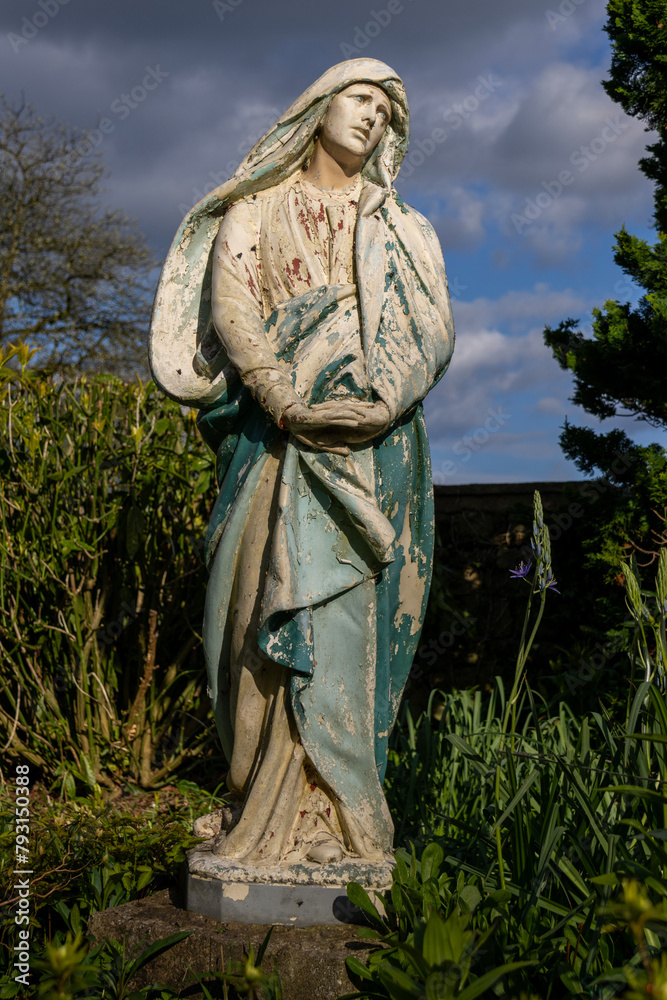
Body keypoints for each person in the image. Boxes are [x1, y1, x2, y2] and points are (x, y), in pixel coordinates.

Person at [149, 58, 454, 867]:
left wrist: (381, 404)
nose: (374, 118)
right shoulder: (253, 212)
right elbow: (234, 309)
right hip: (276, 440)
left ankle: (336, 817)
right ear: (317, 107)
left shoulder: (403, 228)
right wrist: (283, 398)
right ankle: (263, 804)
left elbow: (428, 332)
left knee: (347, 628)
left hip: (371, 446)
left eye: (388, 112)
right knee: (253, 617)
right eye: (360, 99)